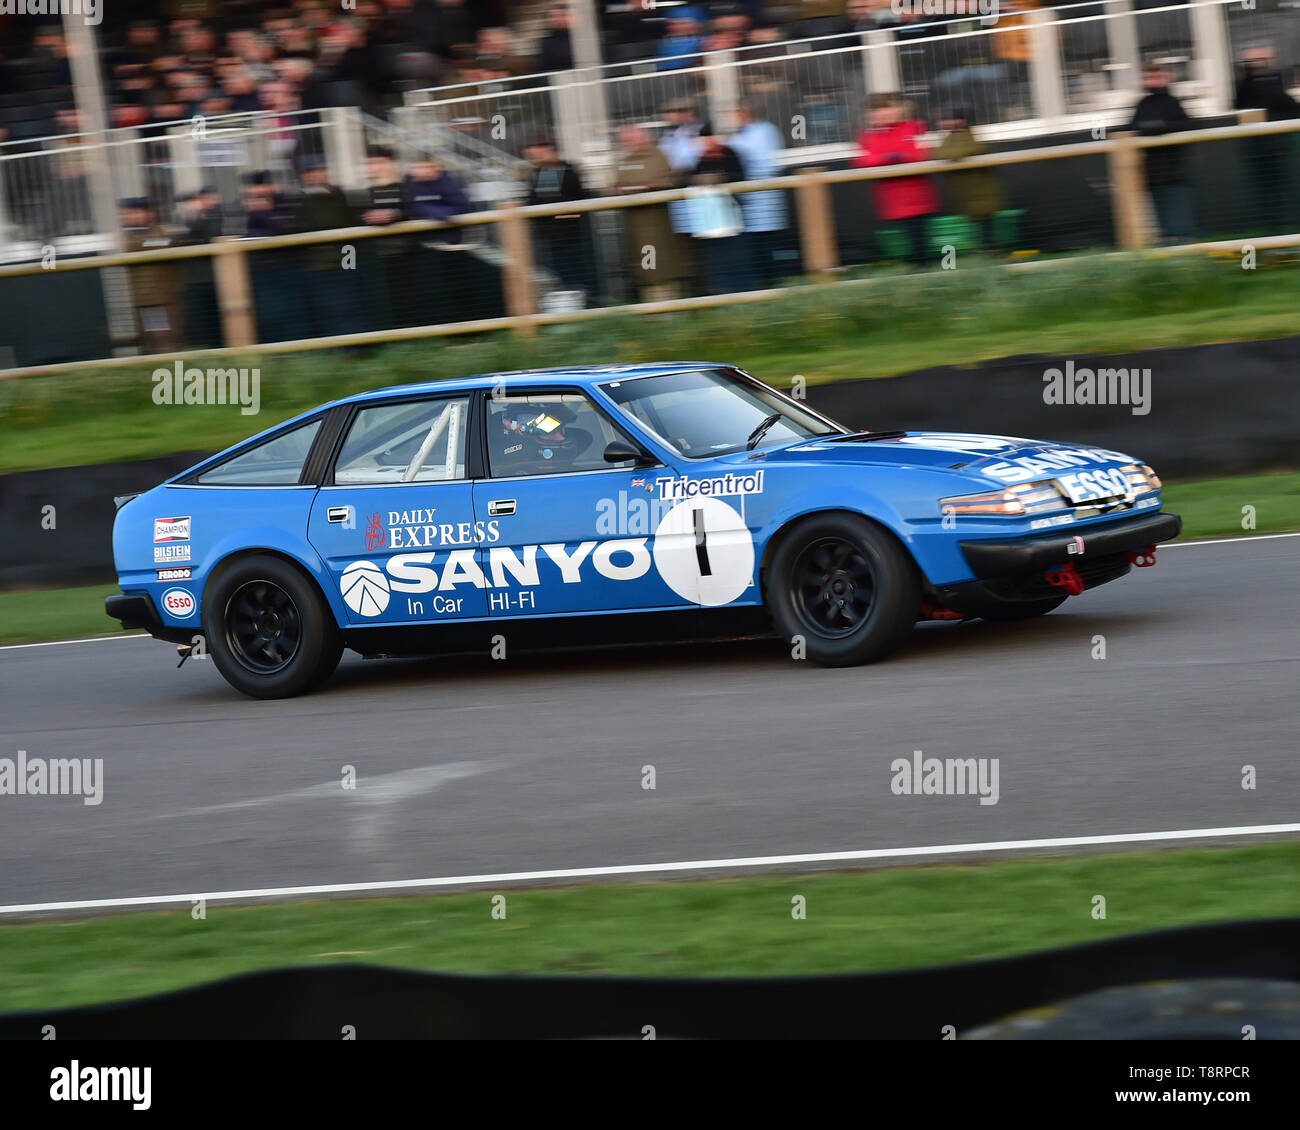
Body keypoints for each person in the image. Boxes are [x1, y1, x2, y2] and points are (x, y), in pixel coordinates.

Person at [852, 93, 941, 266]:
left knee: (920, 237)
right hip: (890, 199)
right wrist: (894, 158)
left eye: (888, 107)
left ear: (901, 109)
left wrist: (893, 158)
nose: (883, 113)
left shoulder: (915, 127)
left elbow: (924, 153)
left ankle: (925, 269)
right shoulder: (867, 135)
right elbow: (864, 160)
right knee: (897, 242)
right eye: (877, 109)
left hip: (918, 196)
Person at [611, 124, 688, 302]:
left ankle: (664, 305)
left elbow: (670, 180)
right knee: (645, 267)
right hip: (634, 226)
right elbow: (615, 186)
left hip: (656, 226)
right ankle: (651, 304)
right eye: (625, 141)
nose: (628, 144)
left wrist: (646, 187)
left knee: (656, 264)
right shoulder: (624, 161)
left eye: (631, 140)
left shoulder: (658, 156)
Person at [295, 156, 363, 339]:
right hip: (318, 265)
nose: (318, 175)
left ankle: (355, 348)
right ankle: (337, 349)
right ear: (304, 176)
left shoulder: (339, 195)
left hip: (345, 261)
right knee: (328, 307)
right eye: (312, 172)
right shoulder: (300, 200)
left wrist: (350, 262)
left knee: (351, 304)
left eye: (320, 170)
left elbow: (351, 226)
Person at [1126, 65, 1194, 244]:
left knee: (1179, 218)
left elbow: (1189, 125)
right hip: (1151, 172)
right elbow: (1130, 129)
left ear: (1166, 78)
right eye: (1147, 77)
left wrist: (1160, 127)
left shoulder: (1173, 102)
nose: (1151, 81)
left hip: (1175, 171)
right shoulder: (1142, 104)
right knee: (1159, 219)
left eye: (1156, 77)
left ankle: (1183, 248)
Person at [1234, 46, 1299, 231]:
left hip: (1279, 147)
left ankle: (1283, 233)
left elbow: (1287, 105)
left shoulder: (1276, 80)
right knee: (1267, 193)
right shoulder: (1247, 85)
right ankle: (1273, 233)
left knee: (1282, 191)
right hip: (1260, 149)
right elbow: (1243, 105)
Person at [727, 100, 789, 286]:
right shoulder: (739, 135)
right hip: (746, 201)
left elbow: (766, 162)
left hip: (764, 196)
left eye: (738, 112)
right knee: (754, 245)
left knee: (768, 244)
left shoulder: (765, 131)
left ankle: (774, 285)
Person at [684, 132, 753, 294]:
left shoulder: (729, 154)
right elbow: (690, 178)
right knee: (718, 260)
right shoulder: (702, 158)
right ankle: (723, 293)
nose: (706, 143)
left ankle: (743, 292)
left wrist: (719, 179)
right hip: (710, 220)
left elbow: (740, 177)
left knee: (737, 257)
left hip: (731, 216)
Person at [522, 137, 591, 296]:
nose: (532, 155)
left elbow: (578, 198)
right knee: (561, 273)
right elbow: (534, 200)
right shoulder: (537, 173)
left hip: (571, 235)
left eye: (535, 150)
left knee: (575, 271)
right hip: (550, 235)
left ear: (548, 149)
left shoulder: (568, 170)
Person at [120, 198, 184, 354]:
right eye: (128, 214)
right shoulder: (126, 236)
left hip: (159, 301)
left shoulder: (162, 233)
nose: (131, 217)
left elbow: (166, 243)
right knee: (149, 342)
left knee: (164, 341)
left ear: (149, 214)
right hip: (141, 301)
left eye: (136, 213)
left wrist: (144, 244)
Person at [933, 105, 1003, 249]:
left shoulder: (970, 135)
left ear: (960, 121)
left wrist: (953, 155)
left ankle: (991, 250)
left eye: (947, 120)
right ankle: (985, 249)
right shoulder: (950, 137)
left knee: (986, 225)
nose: (942, 124)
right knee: (978, 226)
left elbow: (968, 149)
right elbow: (939, 154)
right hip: (966, 193)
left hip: (980, 192)